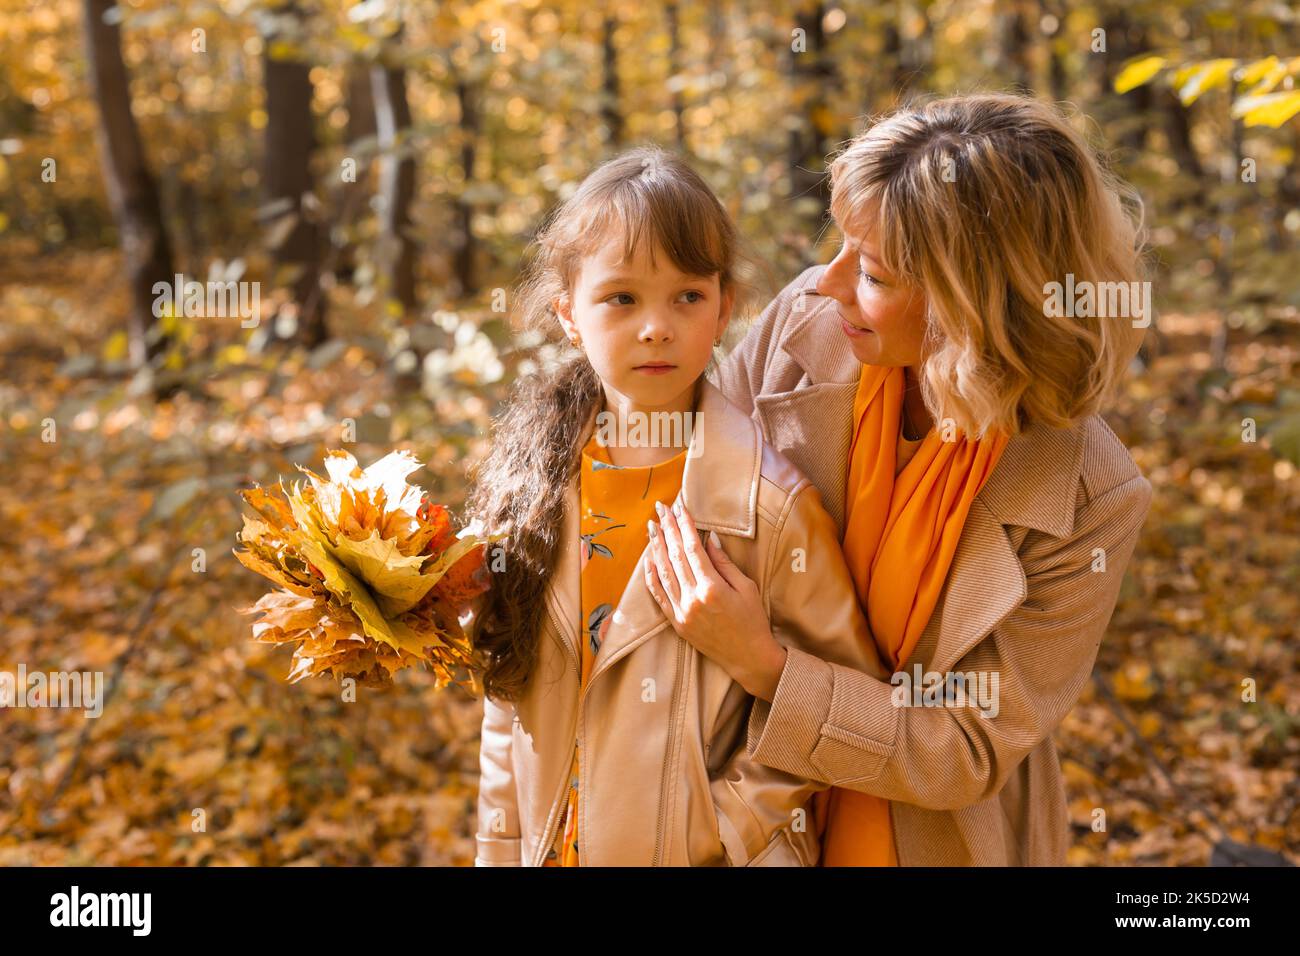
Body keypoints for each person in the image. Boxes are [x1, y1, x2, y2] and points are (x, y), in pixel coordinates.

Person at [644, 93, 1154, 865]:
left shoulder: (1091, 497)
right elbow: (673, 490)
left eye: (874, 273)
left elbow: (965, 747)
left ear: (976, 309)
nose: (829, 283)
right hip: (739, 806)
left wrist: (766, 665)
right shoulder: (802, 328)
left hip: (936, 839)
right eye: (843, 247)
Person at [465, 146, 880, 866]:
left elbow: (839, 700)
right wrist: (499, 847)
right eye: (622, 298)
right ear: (569, 313)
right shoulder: (530, 486)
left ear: (724, 308)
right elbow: (509, 700)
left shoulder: (769, 506)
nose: (656, 326)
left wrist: (722, 828)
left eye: (686, 296)